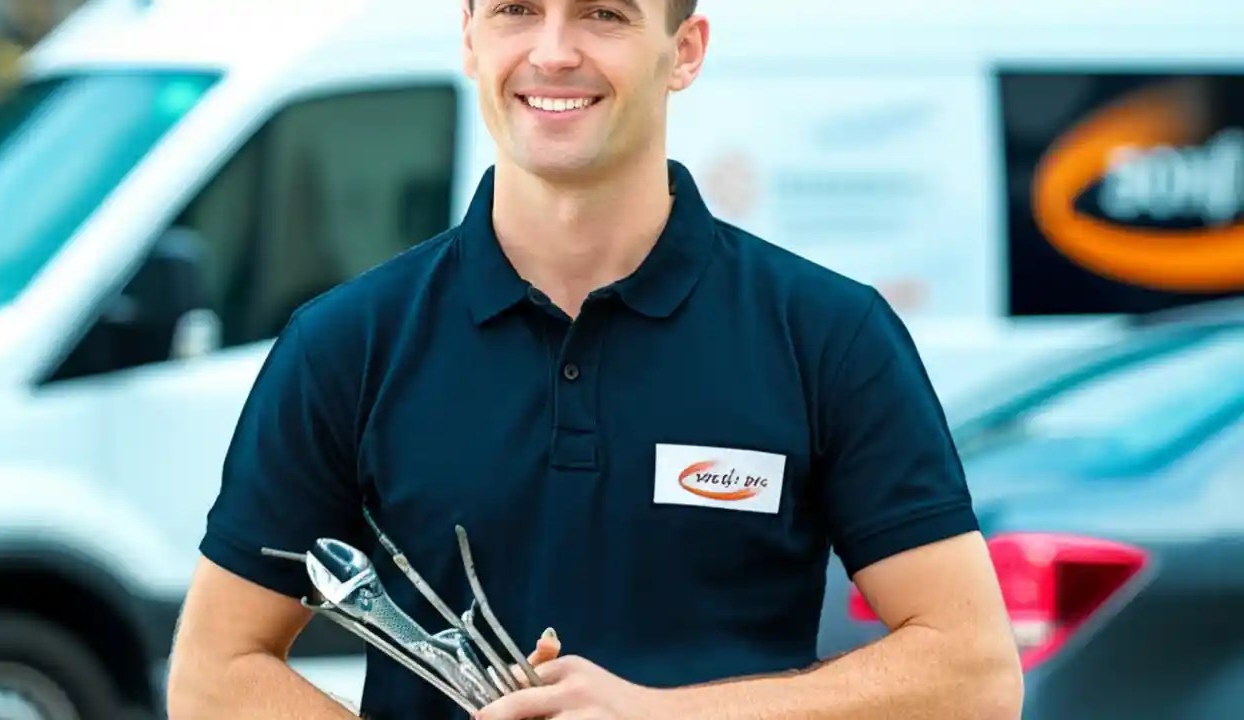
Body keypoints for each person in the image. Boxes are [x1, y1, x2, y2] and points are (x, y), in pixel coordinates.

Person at [166, 0, 1025, 718]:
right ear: (470, 38)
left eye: (603, 14)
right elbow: (215, 673)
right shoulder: (348, 344)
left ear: (683, 51)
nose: (552, 51)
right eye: (516, 11)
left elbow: (975, 673)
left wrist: (660, 715)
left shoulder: (828, 334)